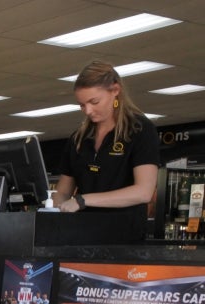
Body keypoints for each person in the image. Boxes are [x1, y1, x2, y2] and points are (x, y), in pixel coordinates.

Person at [53, 60, 160, 215]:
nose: (88, 111)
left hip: (123, 234)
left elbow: (143, 192)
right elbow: (62, 192)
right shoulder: (79, 138)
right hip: (82, 233)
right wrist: (54, 210)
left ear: (115, 90)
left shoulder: (139, 129)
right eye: (82, 105)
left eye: (94, 102)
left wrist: (83, 200)